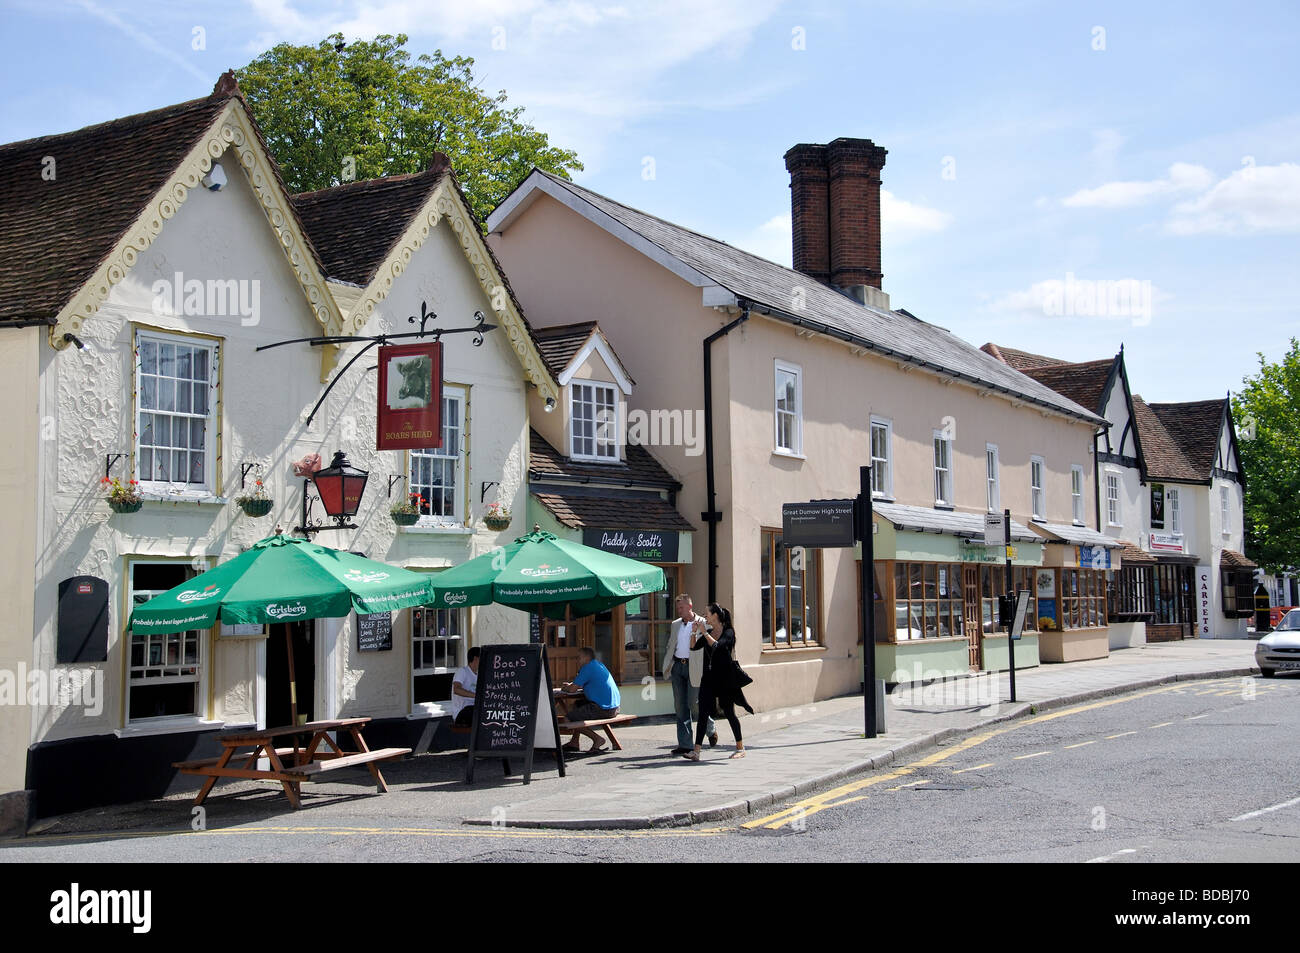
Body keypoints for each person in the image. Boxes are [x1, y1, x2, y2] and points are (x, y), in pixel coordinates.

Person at [683, 603, 753, 761]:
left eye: (707, 613)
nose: (704, 615)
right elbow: (694, 648)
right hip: (708, 678)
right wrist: (694, 633)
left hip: (724, 679)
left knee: (729, 712)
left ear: (715, 615)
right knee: (703, 714)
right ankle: (696, 751)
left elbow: (718, 646)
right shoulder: (707, 631)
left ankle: (740, 748)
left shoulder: (728, 632)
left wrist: (703, 632)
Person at [662, 593, 716, 755]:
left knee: (694, 703)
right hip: (678, 666)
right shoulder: (675, 624)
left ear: (690, 606)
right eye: (677, 607)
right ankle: (685, 744)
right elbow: (672, 645)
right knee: (680, 706)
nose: (679, 610)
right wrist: (669, 664)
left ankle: (710, 728)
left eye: (682, 607)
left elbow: (710, 646)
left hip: (695, 667)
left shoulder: (703, 623)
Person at [562, 646, 621, 753]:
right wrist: (572, 685)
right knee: (576, 705)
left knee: (569, 719)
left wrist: (566, 687)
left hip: (602, 708)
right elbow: (581, 684)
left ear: (586, 658)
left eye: (578, 657)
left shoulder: (587, 668)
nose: (577, 660)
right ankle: (574, 742)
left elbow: (571, 690)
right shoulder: (598, 665)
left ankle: (597, 739)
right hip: (614, 707)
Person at [451, 647, 480, 727]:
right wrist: (476, 695)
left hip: (474, 710)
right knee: (474, 710)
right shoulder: (462, 671)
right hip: (462, 713)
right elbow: (456, 689)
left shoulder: (478, 676)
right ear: (476, 658)